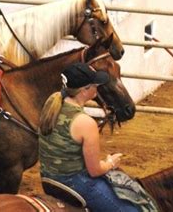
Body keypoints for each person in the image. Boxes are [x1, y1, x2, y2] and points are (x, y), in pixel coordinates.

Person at [39, 63, 139, 211]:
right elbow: (95, 171)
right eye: (95, 85)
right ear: (84, 90)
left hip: (49, 179)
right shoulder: (85, 122)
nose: (98, 88)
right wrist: (110, 162)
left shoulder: (51, 107)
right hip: (75, 183)